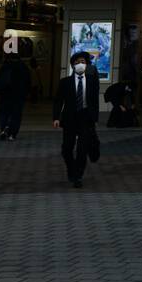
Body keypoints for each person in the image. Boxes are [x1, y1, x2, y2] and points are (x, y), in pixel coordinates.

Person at [53, 51, 100, 188]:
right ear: (73, 65)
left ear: (87, 65)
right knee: (67, 148)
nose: (80, 64)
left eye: (83, 62)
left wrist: (94, 118)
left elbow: (94, 101)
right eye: (77, 62)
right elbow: (58, 101)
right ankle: (71, 168)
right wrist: (56, 117)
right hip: (69, 118)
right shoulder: (65, 82)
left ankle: (78, 175)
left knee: (82, 148)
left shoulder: (91, 81)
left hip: (85, 117)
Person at [0, 50, 32, 141]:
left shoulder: (5, 66)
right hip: (19, 95)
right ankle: (12, 134)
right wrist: (27, 93)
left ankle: (4, 128)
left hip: (5, 94)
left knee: (4, 113)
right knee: (16, 114)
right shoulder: (23, 67)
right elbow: (28, 81)